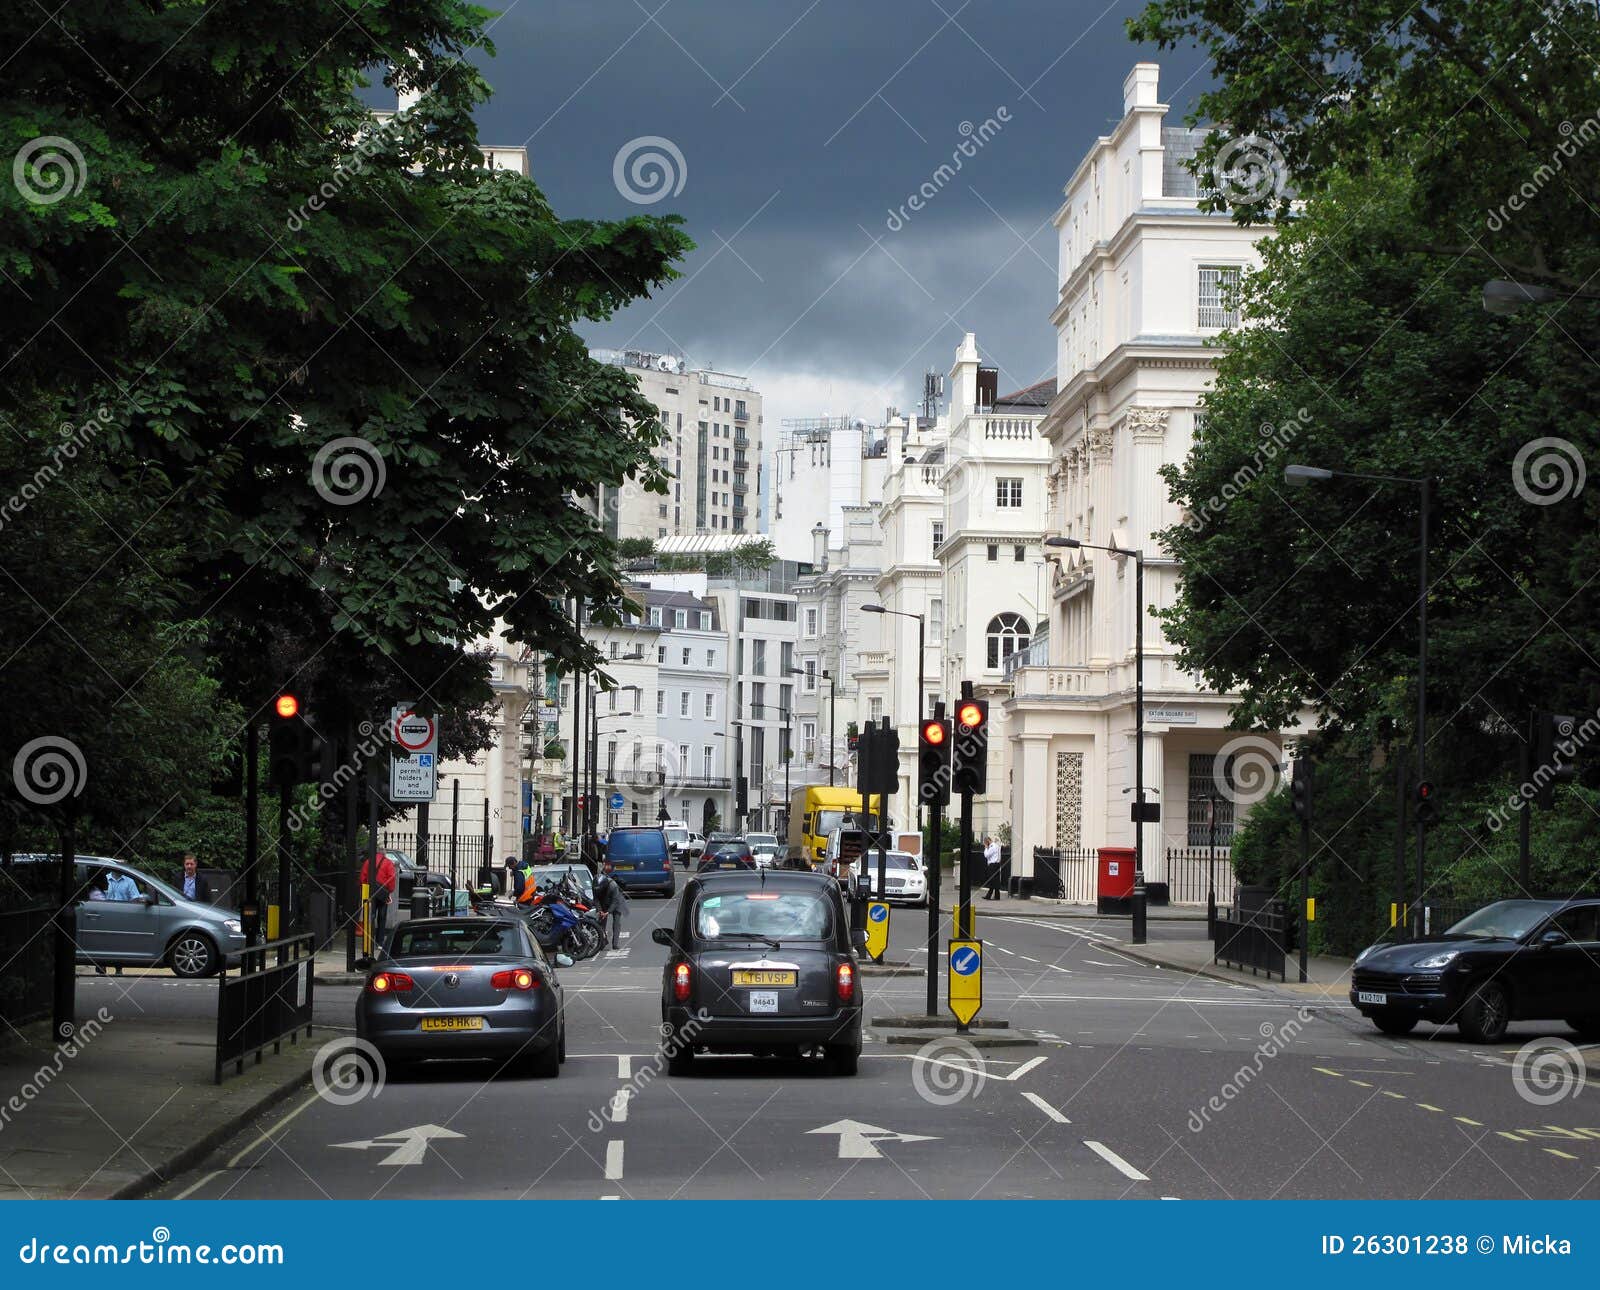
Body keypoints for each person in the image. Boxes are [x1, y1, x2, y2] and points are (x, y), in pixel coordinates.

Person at [359, 850, 397, 948]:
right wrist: (389, 891)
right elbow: (391, 878)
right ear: (384, 854)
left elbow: (363, 876)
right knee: (382, 917)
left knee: (370, 916)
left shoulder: (368, 861)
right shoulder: (388, 863)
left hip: (370, 891)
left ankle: (368, 940)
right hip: (382, 892)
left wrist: (364, 888)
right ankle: (379, 942)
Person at [594, 869, 628, 949]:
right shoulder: (595, 884)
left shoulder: (613, 886)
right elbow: (596, 899)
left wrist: (608, 912)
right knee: (601, 921)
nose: (598, 890)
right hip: (603, 901)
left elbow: (615, 901)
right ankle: (602, 941)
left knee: (616, 922)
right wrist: (600, 910)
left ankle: (615, 944)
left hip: (616, 901)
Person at [981, 835, 1004, 900]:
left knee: (992, 880)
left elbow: (986, 855)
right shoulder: (996, 846)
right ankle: (996, 895)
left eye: (985, 843)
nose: (985, 844)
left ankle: (991, 895)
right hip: (997, 864)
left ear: (987, 841)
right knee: (995, 880)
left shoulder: (992, 847)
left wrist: (986, 847)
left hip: (993, 865)